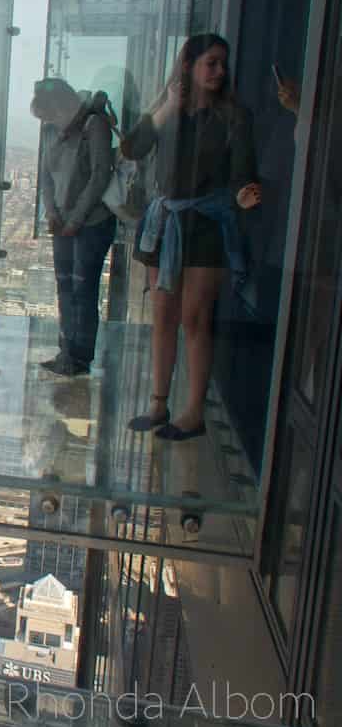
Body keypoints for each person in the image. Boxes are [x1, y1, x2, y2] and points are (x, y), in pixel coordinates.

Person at [122, 34, 262, 440]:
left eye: (222, 63)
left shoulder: (234, 116)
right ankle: (158, 402)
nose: (219, 71)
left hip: (207, 224)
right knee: (163, 316)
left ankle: (193, 411)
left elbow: (243, 173)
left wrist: (242, 197)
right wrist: (168, 107)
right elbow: (131, 148)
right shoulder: (169, 111)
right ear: (188, 66)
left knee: (195, 320)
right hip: (166, 221)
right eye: (211, 63)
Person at [34, 78, 116, 376]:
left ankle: (80, 357)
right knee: (65, 287)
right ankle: (66, 351)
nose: (51, 121)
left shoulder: (94, 126)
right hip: (64, 222)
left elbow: (99, 177)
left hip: (92, 223)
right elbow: (45, 175)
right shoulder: (49, 130)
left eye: (52, 114)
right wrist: (52, 212)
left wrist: (75, 220)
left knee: (84, 289)